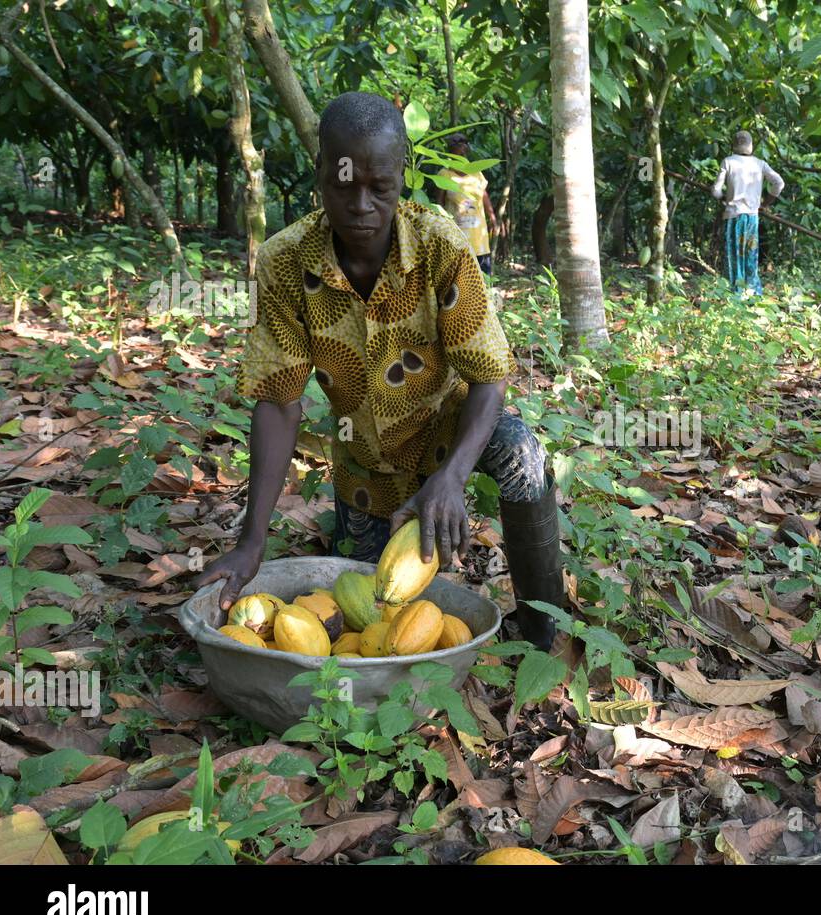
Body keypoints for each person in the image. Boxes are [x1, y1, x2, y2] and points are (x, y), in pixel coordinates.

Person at [194, 92, 563, 651]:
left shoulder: (440, 245)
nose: (362, 204)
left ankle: (544, 631)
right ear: (320, 174)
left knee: (523, 455)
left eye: (380, 187)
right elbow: (278, 399)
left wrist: (453, 477)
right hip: (366, 465)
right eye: (344, 184)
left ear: (403, 176)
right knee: (368, 619)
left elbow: (489, 373)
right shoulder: (285, 262)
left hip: (446, 433)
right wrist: (251, 542)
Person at [711, 130, 784, 298]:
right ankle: (753, 292)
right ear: (750, 145)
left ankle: (735, 294)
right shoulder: (760, 164)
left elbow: (715, 190)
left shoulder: (728, 162)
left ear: (733, 145)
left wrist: (723, 198)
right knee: (751, 254)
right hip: (752, 216)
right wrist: (765, 204)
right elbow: (779, 183)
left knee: (733, 255)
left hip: (733, 215)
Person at [435, 132, 497, 277]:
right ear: (450, 151)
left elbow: (484, 195)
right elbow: (439, 202)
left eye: (464, 145)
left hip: (479, 240)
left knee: (482, 281)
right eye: (456, 145)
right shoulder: (444, 174)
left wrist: (492, 218)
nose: (462, 148)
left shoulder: (476, 173)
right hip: (456, 239)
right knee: (459, 282)